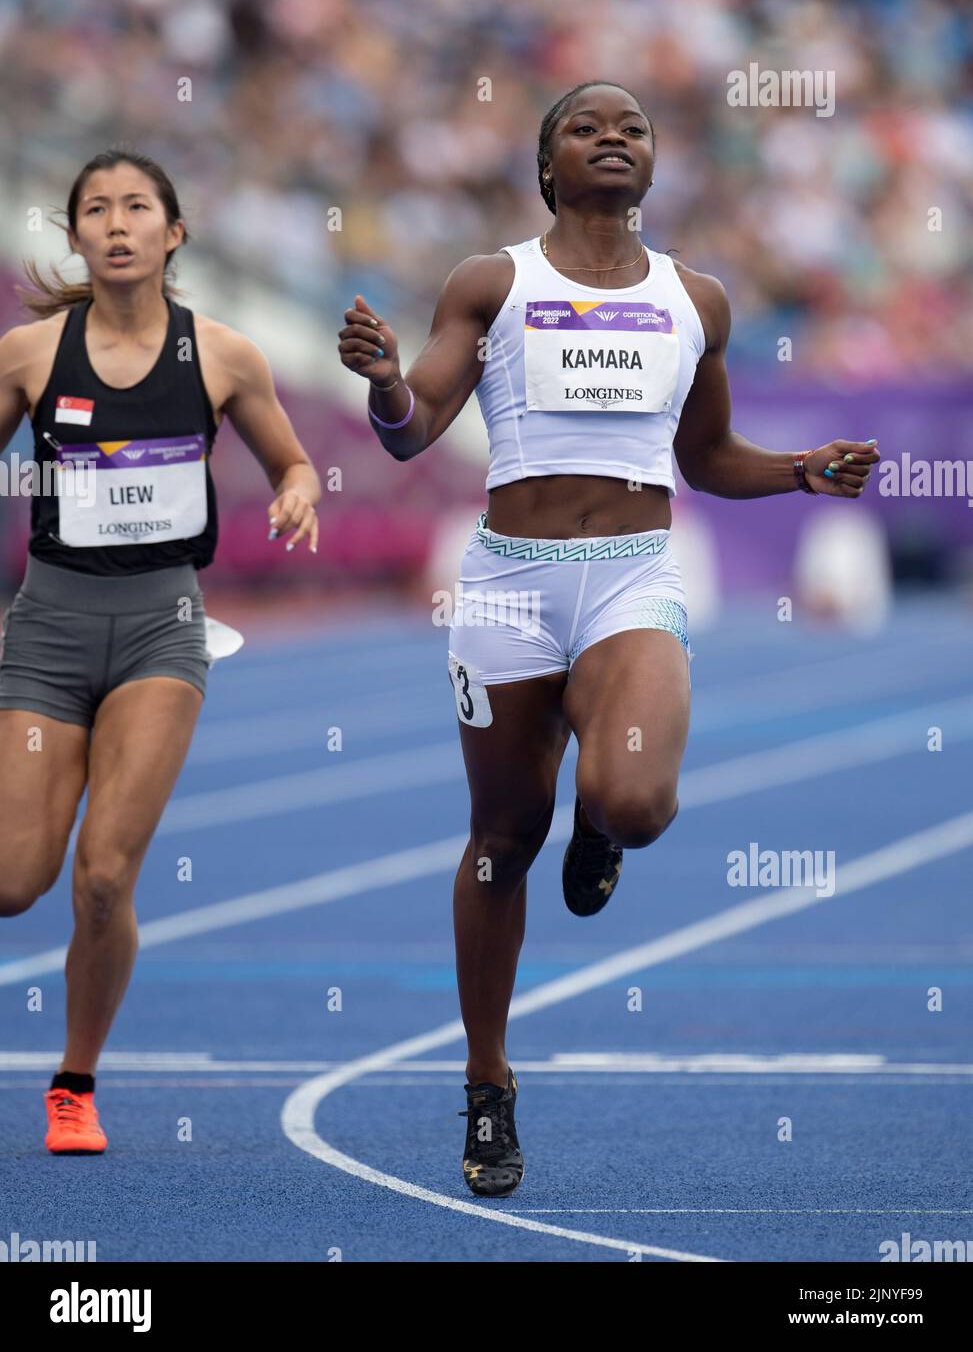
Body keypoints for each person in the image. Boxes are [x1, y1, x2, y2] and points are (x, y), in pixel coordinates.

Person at [338, 82, 879, 1198]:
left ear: (653, 163)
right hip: (505, 588)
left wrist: (798, 471)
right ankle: (488, 1084)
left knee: (634, 798)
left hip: (632, 573)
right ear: (548, 168)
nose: (613, 138)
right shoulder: (492, 283)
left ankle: (604, 832)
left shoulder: (697, 300)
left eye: (633, 127)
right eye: (586, 127)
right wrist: (388, 380)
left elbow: (708, 457)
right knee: (500, 837)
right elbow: (409, 433)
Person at [0, 148, 321, 1154]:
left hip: (161, 629)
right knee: (14, 880)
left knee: (104, 877)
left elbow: (292, 457)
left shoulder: (223, 355)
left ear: (172, 234)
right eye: (95, 209)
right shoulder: (29, 355)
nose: (117, 222)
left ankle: (74, 1082)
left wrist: (300, 488)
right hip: (47, 626)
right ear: (77, 237)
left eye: (137, 206)